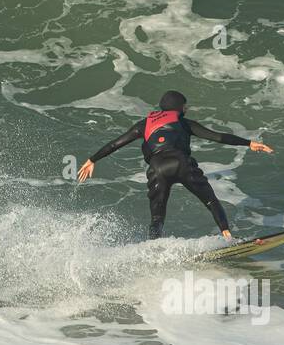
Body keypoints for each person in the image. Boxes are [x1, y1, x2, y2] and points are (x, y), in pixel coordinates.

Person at [76, 90, 273, 239]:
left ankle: (153, 247)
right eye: (185, 106)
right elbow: (217, 136)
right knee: (211, 200)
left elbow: (114, 144)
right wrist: (249, 143)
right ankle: (228, 236)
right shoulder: (184, 122)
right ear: (179, 107)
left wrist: (92, 159)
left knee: (157, 217)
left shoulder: (144, 124)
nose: (186, 109)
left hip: (157, 169)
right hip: (181, 164)